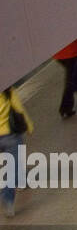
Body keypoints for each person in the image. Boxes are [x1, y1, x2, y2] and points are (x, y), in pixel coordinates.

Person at [1, 85, 31, 217]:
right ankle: (8, 198)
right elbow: (19, 109)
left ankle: (20, 181)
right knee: (13, 165)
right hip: (10, 135)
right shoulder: (8, 90)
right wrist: (29, 126)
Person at [53, 34, 77, 118]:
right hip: (71, 53)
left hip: (58, 54)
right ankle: (65, 108)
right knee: (71, 81)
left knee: (75, 74)